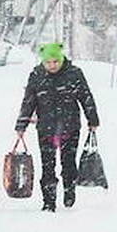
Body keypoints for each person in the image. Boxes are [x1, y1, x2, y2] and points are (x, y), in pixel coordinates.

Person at [15, 42, 100, 212]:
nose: (52, 65)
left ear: (61, 59)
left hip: (70, 126)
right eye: (48, 62)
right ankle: (49, 201)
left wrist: (93, 120)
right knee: (48, 165)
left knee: (68, 163)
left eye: (55, 61)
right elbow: (29, 101)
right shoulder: (37, 75)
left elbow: (86, 97)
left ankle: (69, 189)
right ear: (43, 62)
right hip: (46, 128)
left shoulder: (74, 74)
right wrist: (21, 124)